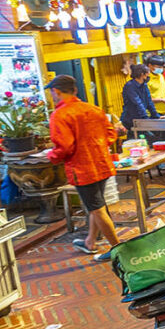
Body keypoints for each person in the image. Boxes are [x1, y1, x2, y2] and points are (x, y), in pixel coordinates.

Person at [41, 74, 120, 259]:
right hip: (102, 163)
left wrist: (51, 156)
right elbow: (110, 134)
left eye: (52, 92)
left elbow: (65, 146)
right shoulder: (93, 109)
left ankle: (119, 249)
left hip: (82, 170)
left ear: (56, 91)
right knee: (95, 206)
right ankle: (90, 242)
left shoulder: (60, 115)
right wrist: (97, 147)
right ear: (75, 90)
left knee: (97, 208)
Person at [120, 63, 158, 138]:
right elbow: (137, 103)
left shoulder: (144, 85)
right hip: (131, 120)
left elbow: (149, 101)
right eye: (147, 74)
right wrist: (145, 118)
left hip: (141, 119)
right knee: (141, 140)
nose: (148, 76)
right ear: (142, 74)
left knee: (152, 137)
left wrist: (156, 115)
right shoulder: (130, 86)